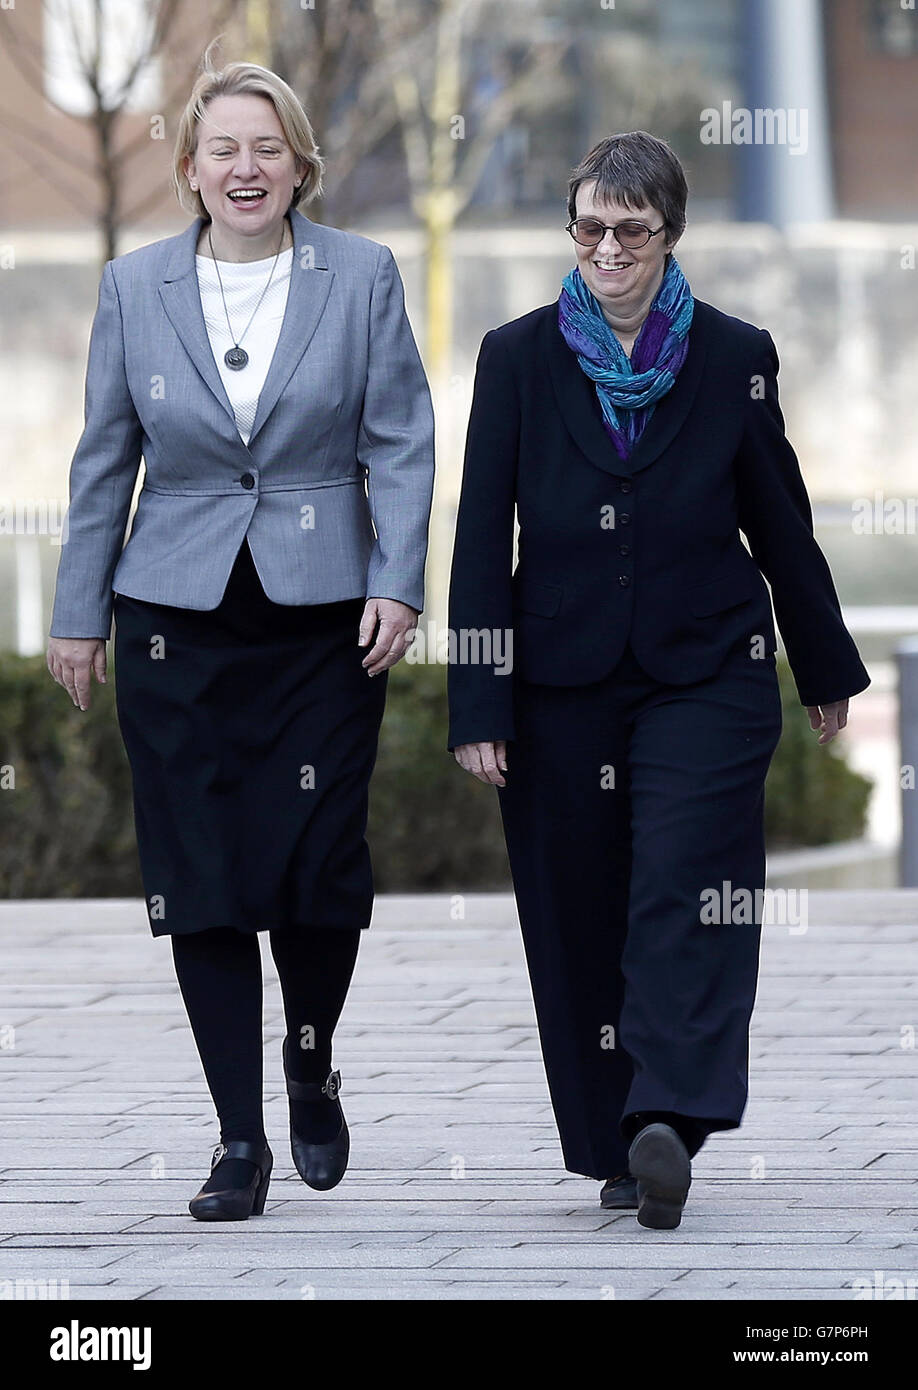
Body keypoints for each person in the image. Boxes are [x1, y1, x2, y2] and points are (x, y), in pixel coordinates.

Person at [447, 130, 869, 1230]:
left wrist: (822, 663)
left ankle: (671, 1114)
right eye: (591, 227)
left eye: (633, 230)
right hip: (558, 677)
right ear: (571, 231)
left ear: (670, 234)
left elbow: (781, 518)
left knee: (687, 882)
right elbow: (480, 536)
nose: (610, 248)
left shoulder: (735, 356)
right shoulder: (518, 356)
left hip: (707, 672)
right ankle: (617, 1143)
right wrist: (479, 699)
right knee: (578, 907)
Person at [46, 47, 434, 1222]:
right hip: (174, 620)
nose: (247, 167)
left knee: (319, 877)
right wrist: (78, 613)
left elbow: (403, 441)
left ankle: (309, 1066)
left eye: (268, 147)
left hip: (323, 619)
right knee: (200, 880)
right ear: (191, 166)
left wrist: (399, 580)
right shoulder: (134, 285)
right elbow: (105, 456)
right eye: (225, 148)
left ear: (302, 163)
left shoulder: (361, 276)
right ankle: (237, 1140)